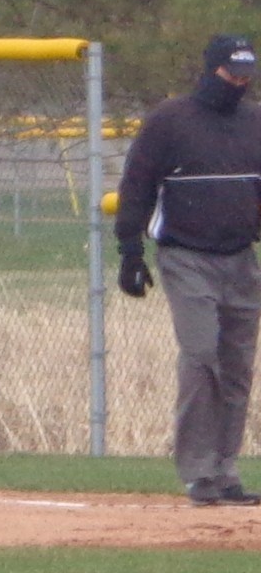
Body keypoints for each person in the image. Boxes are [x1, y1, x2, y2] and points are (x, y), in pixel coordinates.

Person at [115, 33, 261, 507]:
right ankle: (198, 471)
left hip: (240, 258)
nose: (239, 81)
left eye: (246, 74)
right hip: (186, 256)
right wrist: (129, 251)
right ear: (211, 68)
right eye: (231, 72)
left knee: (237, 366)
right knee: (201, 357)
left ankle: (225, 470)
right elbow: (136, 183)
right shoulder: (170, 121)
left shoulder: (254, 121)